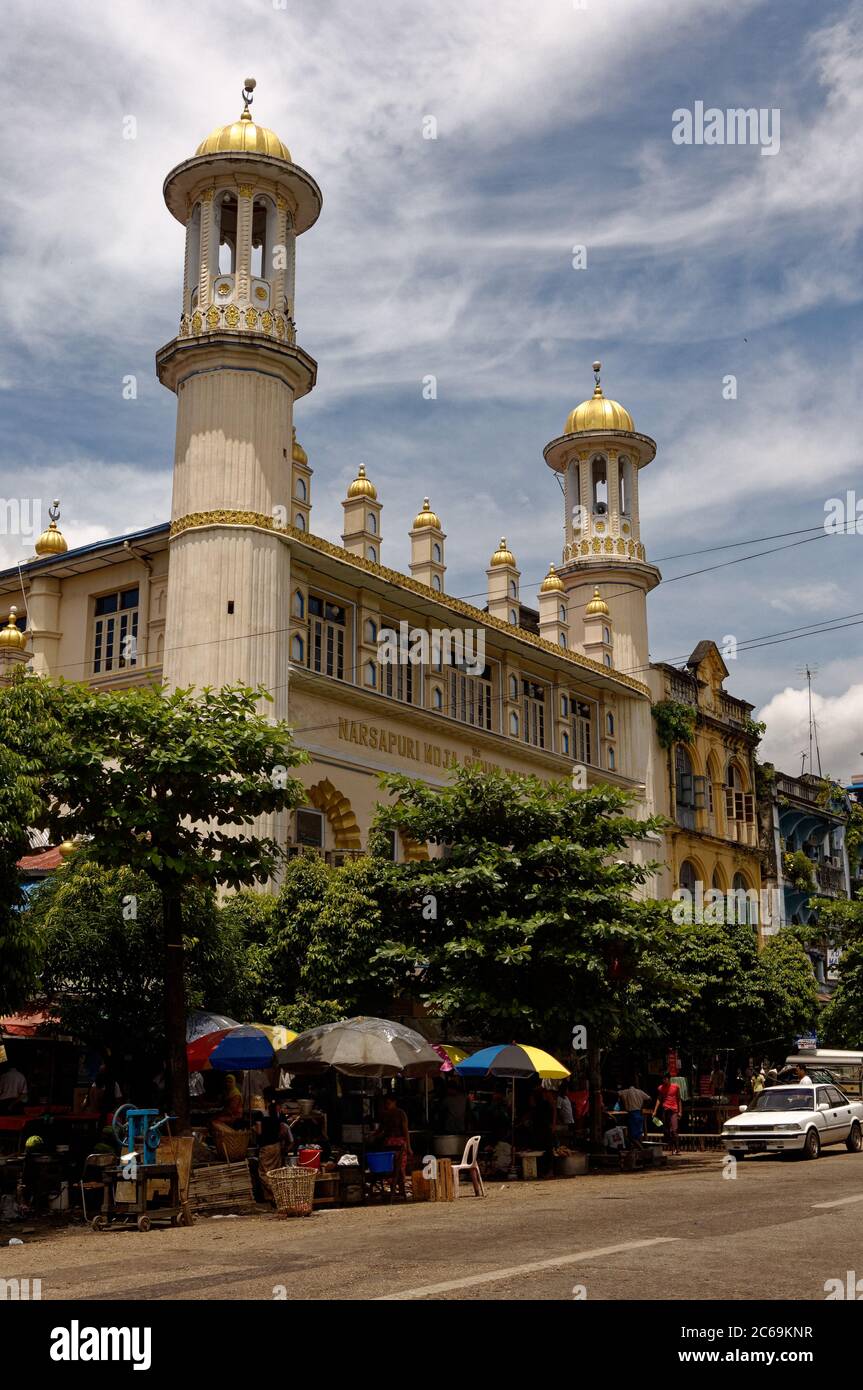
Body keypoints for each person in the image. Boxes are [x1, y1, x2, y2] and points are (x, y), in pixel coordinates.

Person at [254, 1087, 290, 1203]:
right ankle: (273, 1199)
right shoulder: (278, 1112)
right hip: (277, 1146)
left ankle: (277, 1194)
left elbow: (259, 1131)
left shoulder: (260, 1113)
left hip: (266, 1147)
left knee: (263, 1173)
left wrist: (253, 1129)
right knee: (275, 1173)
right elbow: (283, 1130)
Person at [371, 1095, 411, 1197]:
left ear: (394, 1102)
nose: (387, 1105)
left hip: (399, 1143)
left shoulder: (400, 1113)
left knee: (399, 1168)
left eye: (389, 1103)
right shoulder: (385, 1115)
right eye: (386, 1104)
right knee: (392, 1168)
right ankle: (394, 1190)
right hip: (389, 1144)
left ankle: (401, 1190)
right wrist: (372, 1136)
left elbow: (405, 1130)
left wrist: (409, 1147)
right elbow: (380, 1130)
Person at [654, 1073, 682, 1155]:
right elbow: (659, 1099)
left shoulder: (675, 1087)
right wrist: (655, 1110)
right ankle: (672, 1148)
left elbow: (679, 1099)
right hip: (665, 1110)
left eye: (665, 1079)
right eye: (663, 1079)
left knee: (674, 1129)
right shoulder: (661, 1088)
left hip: (674, 1110)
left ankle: (677, 1148)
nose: (664, 1080)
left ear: (669, 1079)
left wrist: (680, 1111)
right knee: (666, 1130)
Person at [618, 1082, 651, 1149]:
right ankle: (640, 1149)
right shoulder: (640, 1092)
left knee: (631, 1136)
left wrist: (605, 1090)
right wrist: (643, 1107)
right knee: (638, 1135)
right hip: (639, 1114)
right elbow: (649, 1098)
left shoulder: (626, 1091)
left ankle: (642, 1149)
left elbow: (617, 1093)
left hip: (632, 1115)